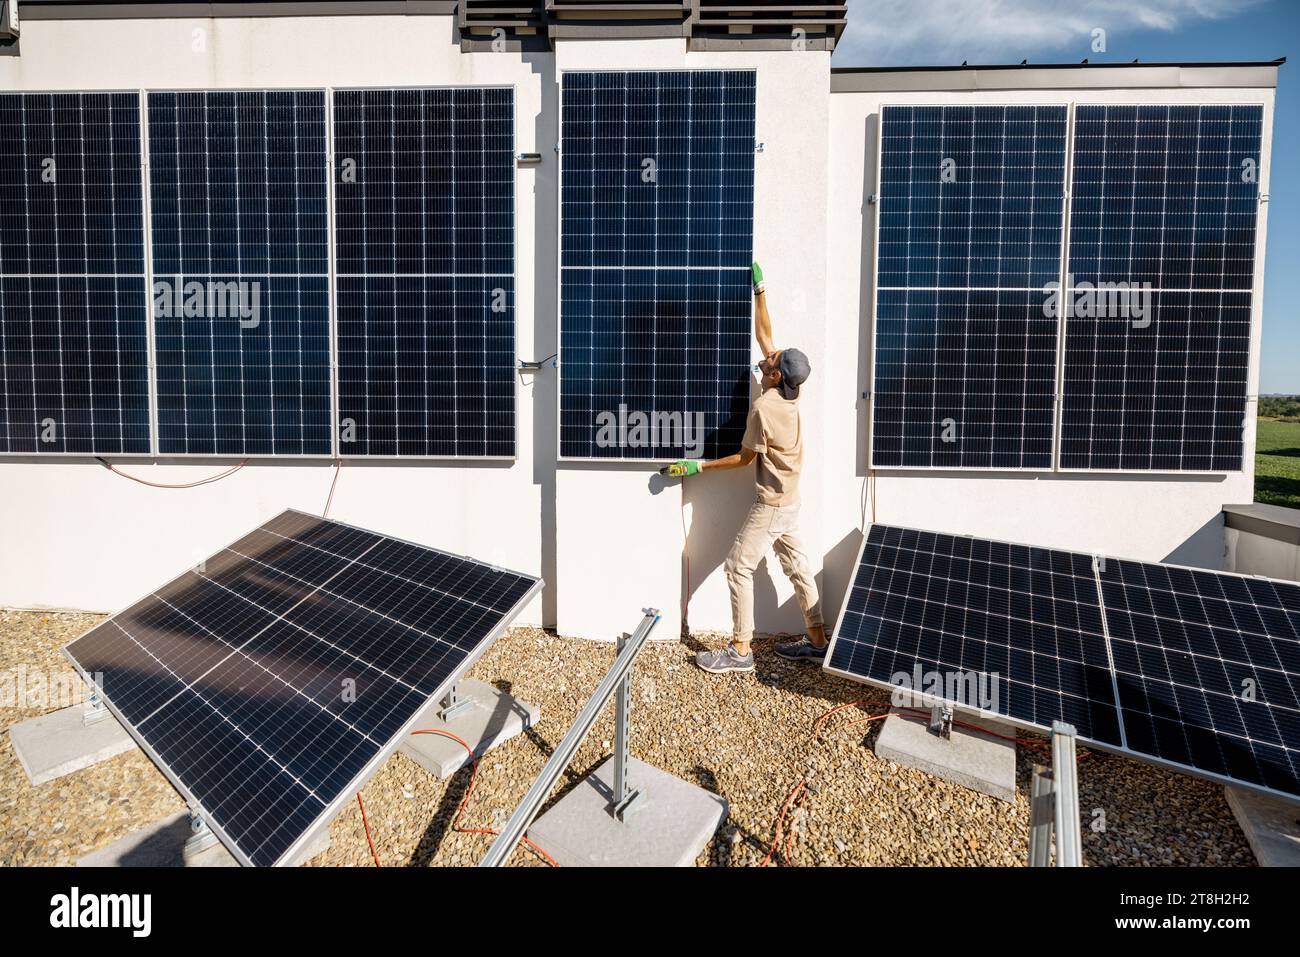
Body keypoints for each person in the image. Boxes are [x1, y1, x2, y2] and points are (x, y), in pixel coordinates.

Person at [665, 262, 827, 674]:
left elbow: (744, 459)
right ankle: (817, 640)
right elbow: (766, 335)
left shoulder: (764, 409)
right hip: (791, 500)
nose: (766, 359)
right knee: (797, 566)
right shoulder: (790, 393)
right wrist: (761, 290)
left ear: (775, 376)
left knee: (739, 566)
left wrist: (697, 466)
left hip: (772, 503)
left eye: (769, 364)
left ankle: (740, 650)